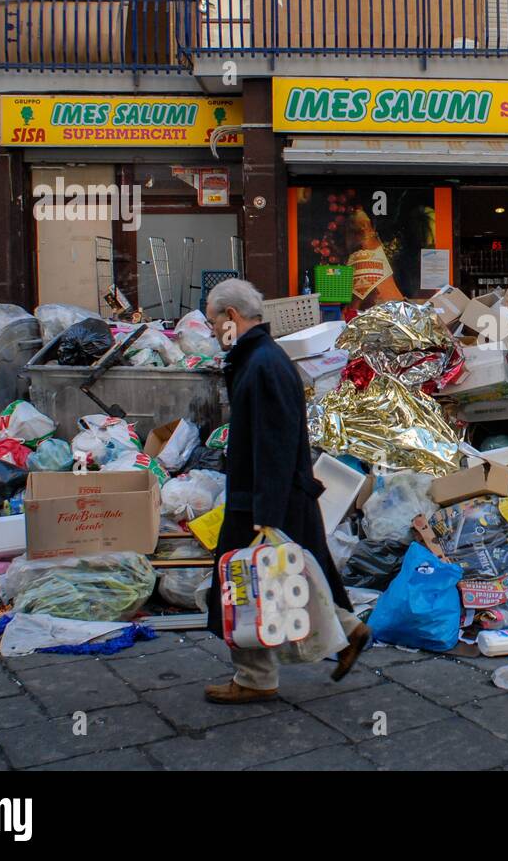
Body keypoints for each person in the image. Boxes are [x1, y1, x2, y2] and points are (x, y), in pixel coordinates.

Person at [201, 278, 371, 704]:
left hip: (262, 499)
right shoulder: (262, 358)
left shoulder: (260, 364)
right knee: (291, 577)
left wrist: (265, 513)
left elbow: (272, 444)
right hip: (277, 495)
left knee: (240, 586)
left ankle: (255, 679)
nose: (210, 331)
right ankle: (347, 630)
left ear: (232, 318)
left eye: (212, 321)